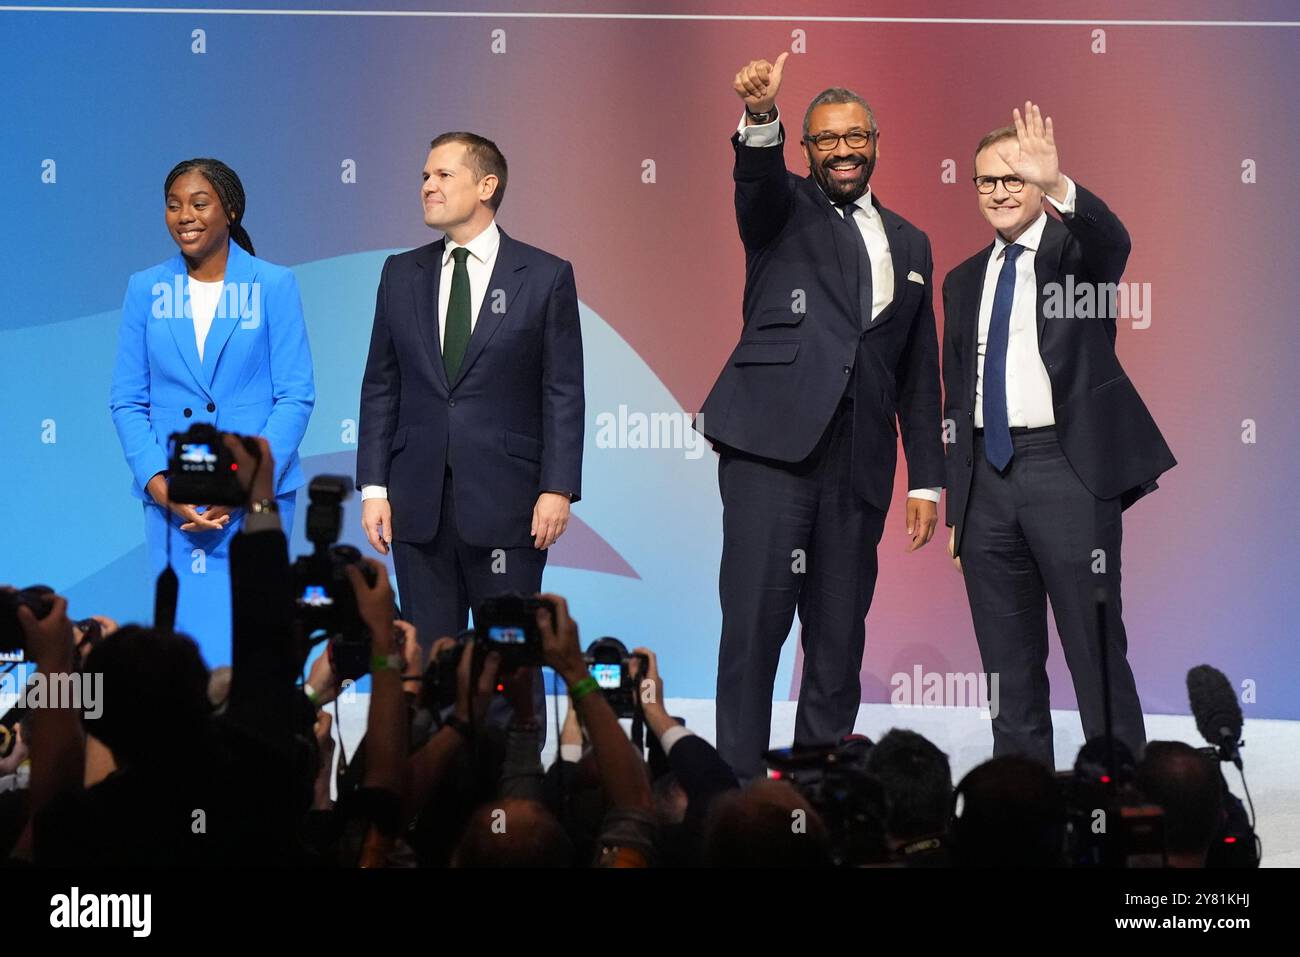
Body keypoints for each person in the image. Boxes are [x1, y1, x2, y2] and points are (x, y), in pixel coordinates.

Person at [697, 54, 945, 779]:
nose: (843, 149)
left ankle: (817, 793)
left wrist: (926, 478)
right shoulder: (781, 211)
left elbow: (916, 371)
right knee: (754, 631)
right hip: (771, 453)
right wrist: (764, 118)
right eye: (827, 139)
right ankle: (737, 797)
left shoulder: (911, 243)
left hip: (858, 463)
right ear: (806, 149)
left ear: (875, 143)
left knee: (838, 640)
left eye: (856, 137)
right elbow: (755, 182)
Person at [941, 104, 1176, 768]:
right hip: (987, 484)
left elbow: (1115, 241)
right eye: (987, 181)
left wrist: (1062, 185)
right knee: (1007, 671)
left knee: (1095, 652)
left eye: (1014, 178)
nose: (1000, 192)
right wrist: (959, 504)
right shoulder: (961, 282)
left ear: (1038, 185)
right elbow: (956, 395)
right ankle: (1024, 814)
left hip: (1066, 471)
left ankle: (1121, 801)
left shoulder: (1077, 257)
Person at [355, 132, 584, 730]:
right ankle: (437, 790)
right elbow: (382, 384)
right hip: (416, 503)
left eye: (442, 175)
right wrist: (374, 488)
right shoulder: (400, 273)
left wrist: (557, 487)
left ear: (487, 187)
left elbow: (562, 390)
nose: (427, 186)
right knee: (432, 660)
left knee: (511, 657)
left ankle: (516, 790)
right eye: (424, 176)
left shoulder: (546, 275)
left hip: (510, 503)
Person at [109, 159, 315, 664]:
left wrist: (248, 484)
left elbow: (296, 396)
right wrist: (161, 484)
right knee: (179, 652)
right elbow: (127, 399)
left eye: (199, 204)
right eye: (174, 205)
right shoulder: (145, 288)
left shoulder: (274, 285)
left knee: (252, 645)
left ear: (231, 211)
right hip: (172, 507)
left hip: (254, 505)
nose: (185, 216)